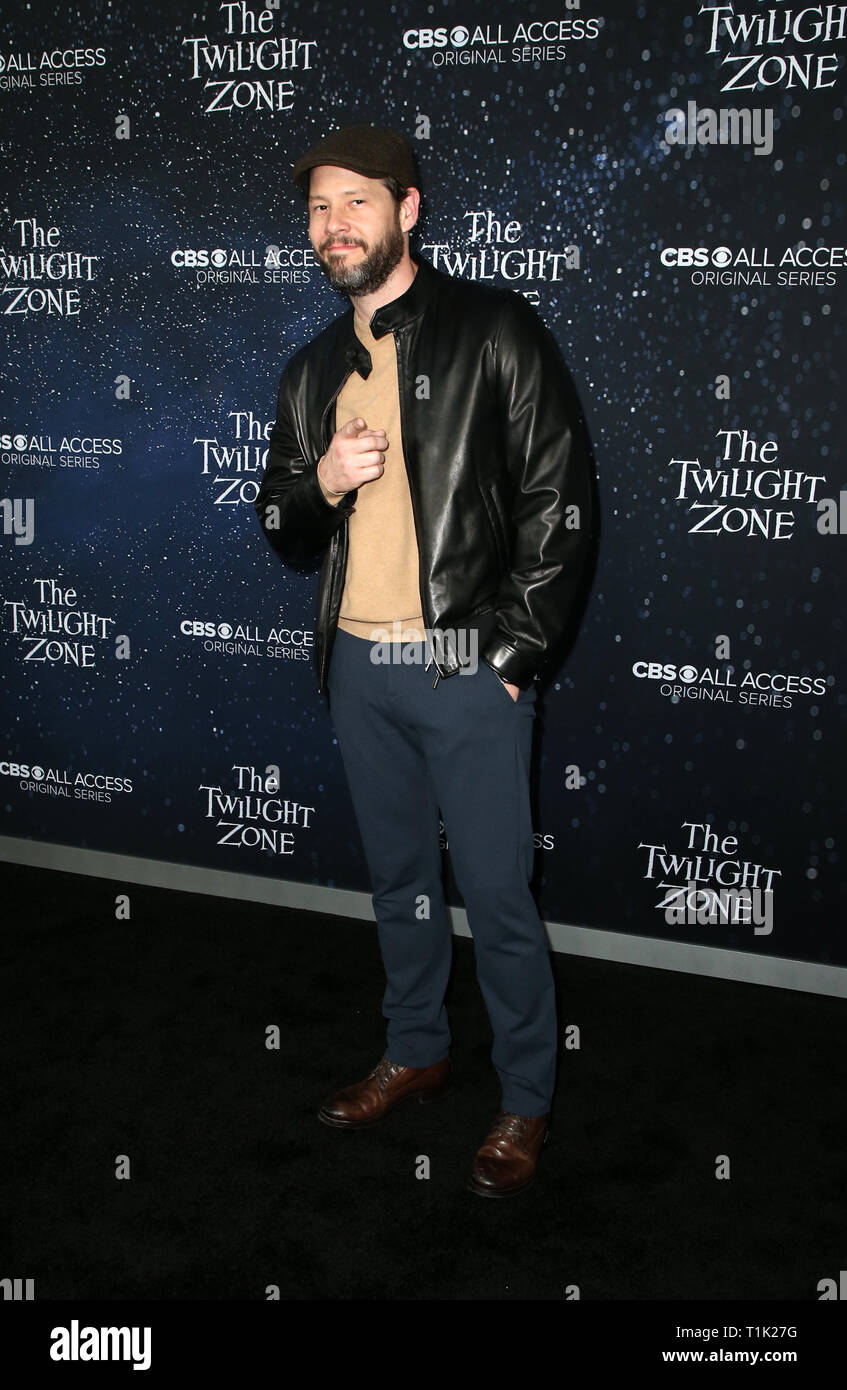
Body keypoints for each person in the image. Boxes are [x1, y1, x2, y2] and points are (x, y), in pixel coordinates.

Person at [254, 123, 594, 1198]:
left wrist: (512, 652)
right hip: (358, 659)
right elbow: (282, 526)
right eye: (317, 207)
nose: (333, 224)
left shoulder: (493, 326)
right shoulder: (312, 371)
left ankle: (526, 1101)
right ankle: (415, 1048)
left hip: (461, 655)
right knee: (399, 882)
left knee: (495, 890)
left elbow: (561, 500)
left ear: (408, 210)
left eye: (355, 201)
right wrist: (324, 483)